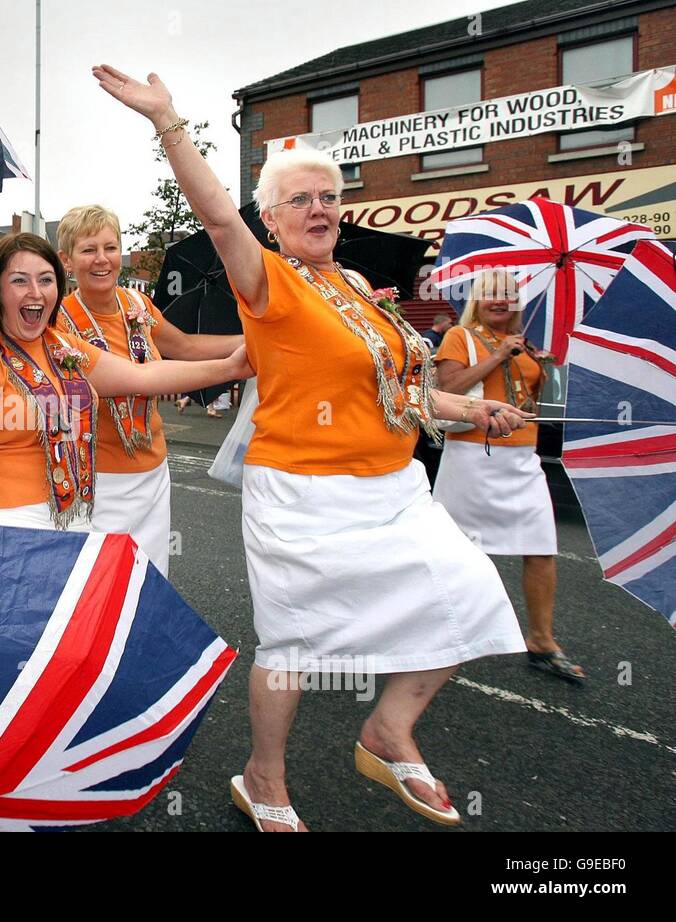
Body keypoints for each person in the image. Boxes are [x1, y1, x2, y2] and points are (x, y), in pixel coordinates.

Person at [95, 64, 531, 831]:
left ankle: (387, 729)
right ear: (273, 219)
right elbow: (219, 218)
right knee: (295, 646)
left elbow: (395, 392)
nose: (319, 207)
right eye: (300, 198)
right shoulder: (268, 283)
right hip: (299, 491)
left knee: (472, 599)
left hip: (393, 487)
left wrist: (465, 404)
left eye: (329, 195)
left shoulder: (360, 291)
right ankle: (264, 780)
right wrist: (168, 121)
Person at [0, 231, 251, 532]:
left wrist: (230, 368)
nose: (35, 292)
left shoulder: (62, 345)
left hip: (77, 519)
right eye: (19, 280)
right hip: (10, 522)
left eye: (46, 280)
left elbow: (143, 376)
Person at [53, 204, 245, 572]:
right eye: (88, 250)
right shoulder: (57, 320)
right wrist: (232, 364)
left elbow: (186, 346)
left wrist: (252, 339)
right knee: (98, 584)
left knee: (150, 578)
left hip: (152, 473)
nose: (102, 259)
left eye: (110, 247)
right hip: (95, 479)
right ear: (66, 259)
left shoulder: (137, 302)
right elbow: (137, 378)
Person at [432, 272, 583, 682]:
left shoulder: (527, 344)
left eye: (509, 295)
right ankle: (435, 632)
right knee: (451, 553)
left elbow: (531, 400)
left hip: (523, 461)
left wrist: (546, 365)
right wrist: (499, 355)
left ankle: (541, 640)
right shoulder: (459, 337)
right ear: (478, 300)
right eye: (492, 294)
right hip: (472, 458)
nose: (501, 301)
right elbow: (450, 388)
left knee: (541, 547)